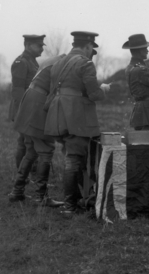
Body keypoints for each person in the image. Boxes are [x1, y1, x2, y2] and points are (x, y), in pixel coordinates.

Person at [44, 31, 106, 215]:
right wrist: (104, 90)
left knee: (72, 156)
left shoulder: (58, 63)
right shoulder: (85, 63)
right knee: (73, 160)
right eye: (91, 49)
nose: (90, 53)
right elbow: (94, 93)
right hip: (76, 117)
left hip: (58, 116)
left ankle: (79, 199)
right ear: (87, 46)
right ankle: (71, 206)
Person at [9, 55, 68, 206]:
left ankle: (17, 191)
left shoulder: (58, 59)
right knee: (46, 150)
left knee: (31, 151)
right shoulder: (67, 63)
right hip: (38, 102)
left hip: (30, 100)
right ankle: (41, 196)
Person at [10, 34, 45, 169]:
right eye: (39, 46)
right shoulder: (21, 62)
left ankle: (28, 173)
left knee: (28, 142)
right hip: (24, 108)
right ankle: (22, 173)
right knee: (24, 142)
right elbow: (17, 90)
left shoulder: (32, 61)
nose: (42, 49)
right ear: (28, 45)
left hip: (30, 108)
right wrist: (21, 112)